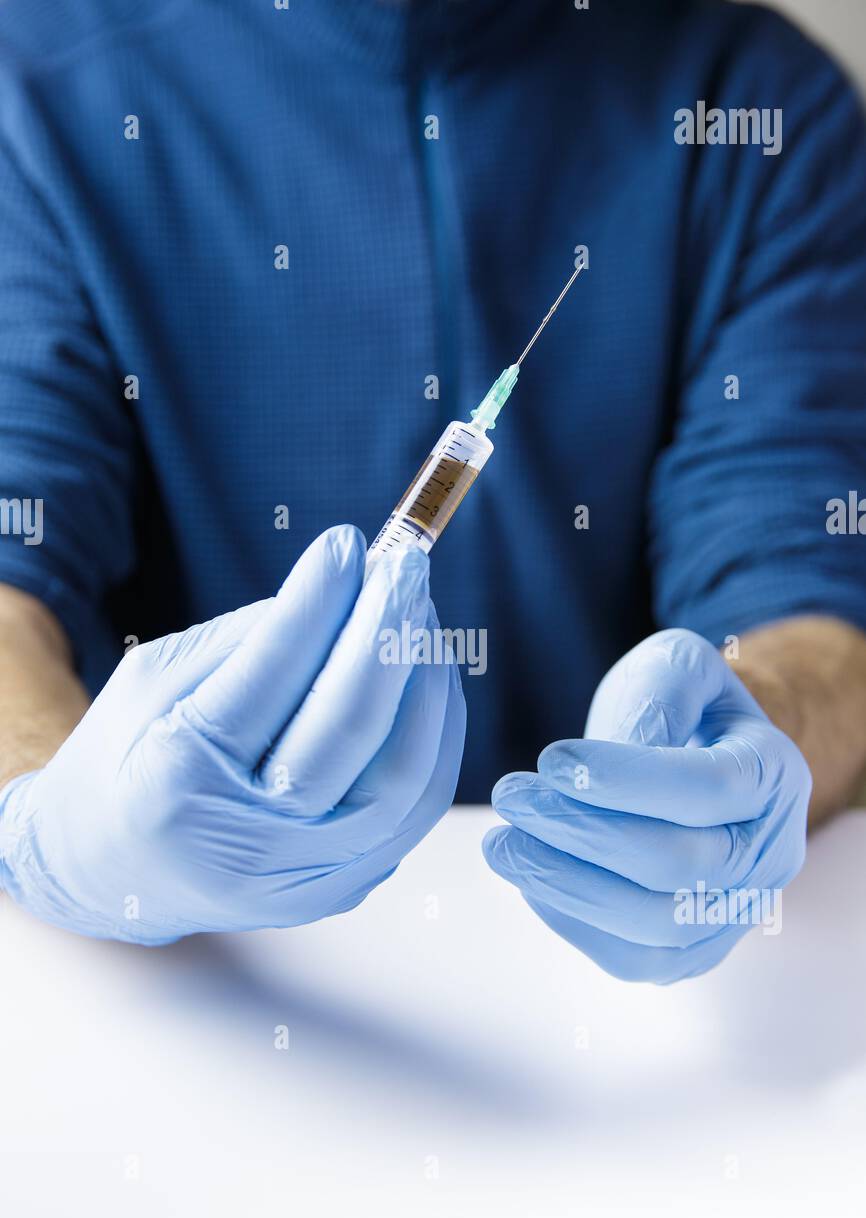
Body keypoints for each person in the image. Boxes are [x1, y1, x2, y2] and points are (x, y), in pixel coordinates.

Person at [1, 0, 865, 981]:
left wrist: (754, 737)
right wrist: (56, 819)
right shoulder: (36, 86)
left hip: (598, 996)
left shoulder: (752, 106)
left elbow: (804, 588)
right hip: (209, 993)